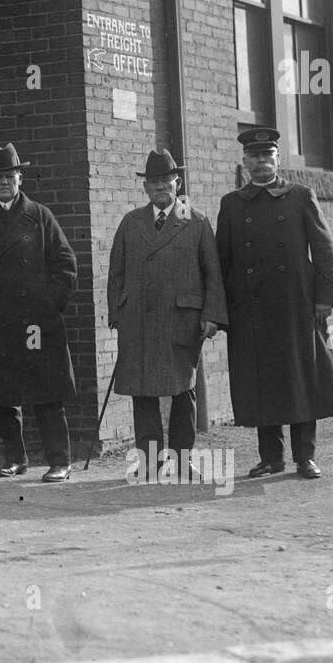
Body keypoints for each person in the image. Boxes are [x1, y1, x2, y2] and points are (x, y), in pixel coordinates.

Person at [216, 126, 333, 479]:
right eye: (254, 157)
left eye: (267, 156)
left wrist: (324, 298)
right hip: (251, 308)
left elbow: (324, 248)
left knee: (301, 379)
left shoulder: (300, 196)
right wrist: (222, 309)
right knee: (262, 382)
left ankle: (306, 456)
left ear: (277, 159)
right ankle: (271, 457)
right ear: (244, 162)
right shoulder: (232, 203)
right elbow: (221, 261)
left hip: (296, 306)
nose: (261, 163)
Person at [0, 143, 77, 482]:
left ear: (20, 177)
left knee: (47, 391)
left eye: (10, 176)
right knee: (5, 394)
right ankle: (16, 458)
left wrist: (49, 304)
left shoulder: (40, 216)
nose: (5, 182)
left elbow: (65, 265)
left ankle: (60, 460)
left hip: (36, 322)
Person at [107, 147, 228, 480]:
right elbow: (115, 271)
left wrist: (211, 315)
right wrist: (116, 312)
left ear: (178, 182)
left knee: (182, 390)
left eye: (166, 180)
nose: (160, 187)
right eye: (154, 182)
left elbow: (212, 273)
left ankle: (183, 460)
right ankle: (149, 461)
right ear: (146, 188)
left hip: (181, 320)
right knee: (142, 390)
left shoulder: (197, 221)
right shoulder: (131, 223)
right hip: (138, 320)